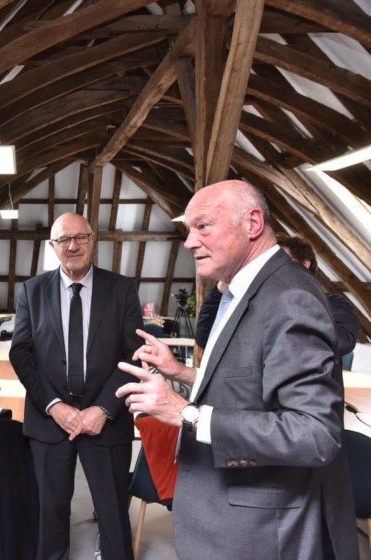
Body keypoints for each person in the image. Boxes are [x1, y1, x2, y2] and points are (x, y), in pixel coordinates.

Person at [116, 180, 354, 560]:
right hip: (225, 520)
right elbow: (247, 387)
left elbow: (314, 433)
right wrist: (178, 371)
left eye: (203, 226)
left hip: (257, 533)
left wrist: (186, 414)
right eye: (189, 229)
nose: (190, 242)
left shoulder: (289, 296)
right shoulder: (239, 292)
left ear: (253, 223)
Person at [193, 233, 359, 559]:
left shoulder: (317, 301)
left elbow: (339, 341)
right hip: (261, 447)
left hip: (300, 445)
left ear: (303, 265)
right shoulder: (251, 302)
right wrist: (222, 289)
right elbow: (205, 333)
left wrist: (286, 321)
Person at [9, 212, 142, 560]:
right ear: (53, 246)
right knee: (49, 514)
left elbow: (135, 354)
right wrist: (54, 405)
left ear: (92, 239)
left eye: (80, 237)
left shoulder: (122, 289)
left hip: (107, 422)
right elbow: (21, 353)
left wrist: (103, 409)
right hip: (50, 421)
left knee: (113, 515)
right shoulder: (32, 290)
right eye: (63, 240)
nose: (73, 246)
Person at [195, 234, 358, 356]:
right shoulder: (255, 302)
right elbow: (205, 338)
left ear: (305, 264)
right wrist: (221, 291)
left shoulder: (333, 303)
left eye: (281, 261)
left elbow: (343, 342)